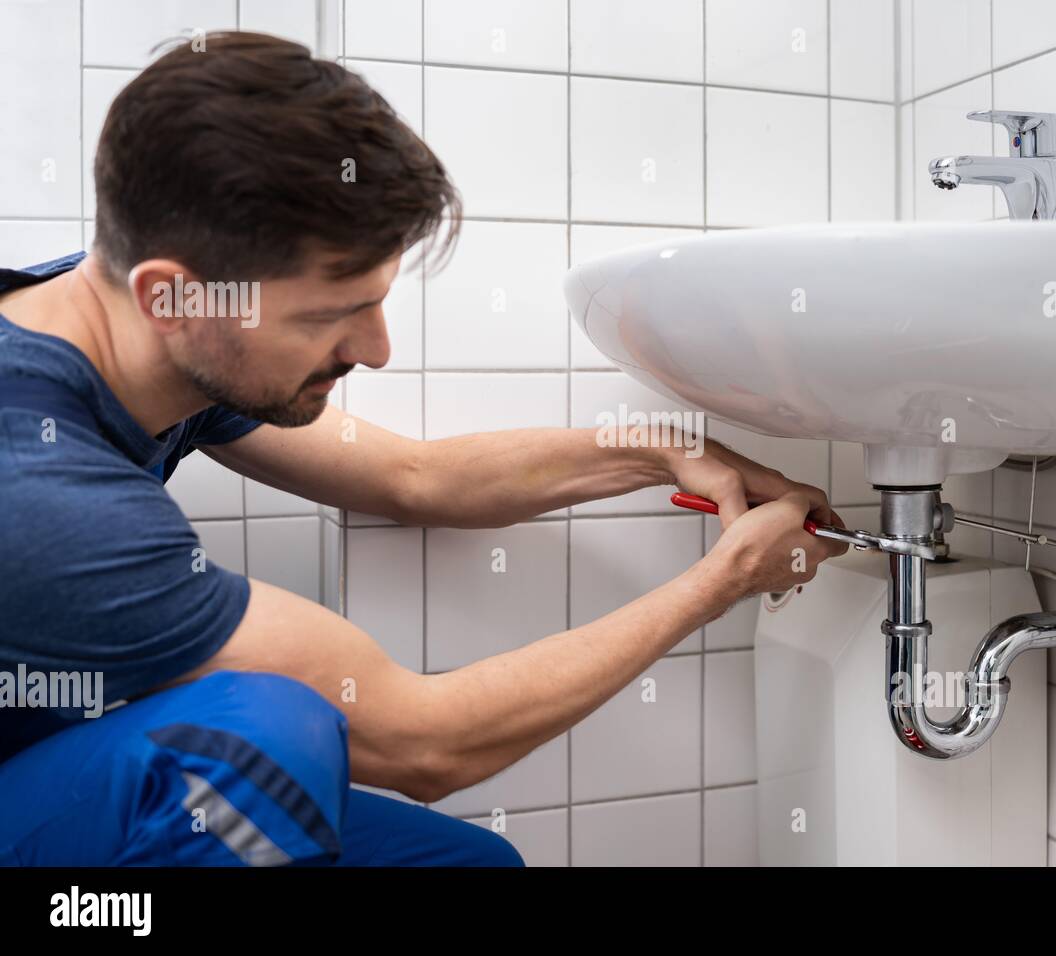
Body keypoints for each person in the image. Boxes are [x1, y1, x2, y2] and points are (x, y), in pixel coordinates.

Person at [0, 32, 846, 866]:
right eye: (329, 315)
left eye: (374, 301)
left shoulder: (137, 324)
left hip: (59, 762)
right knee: (269, 740)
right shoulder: (40, 490)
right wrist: (725, 579)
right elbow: (428, 745)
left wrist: (660, 450)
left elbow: (416, 476)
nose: (376, 349)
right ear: (172, 298)